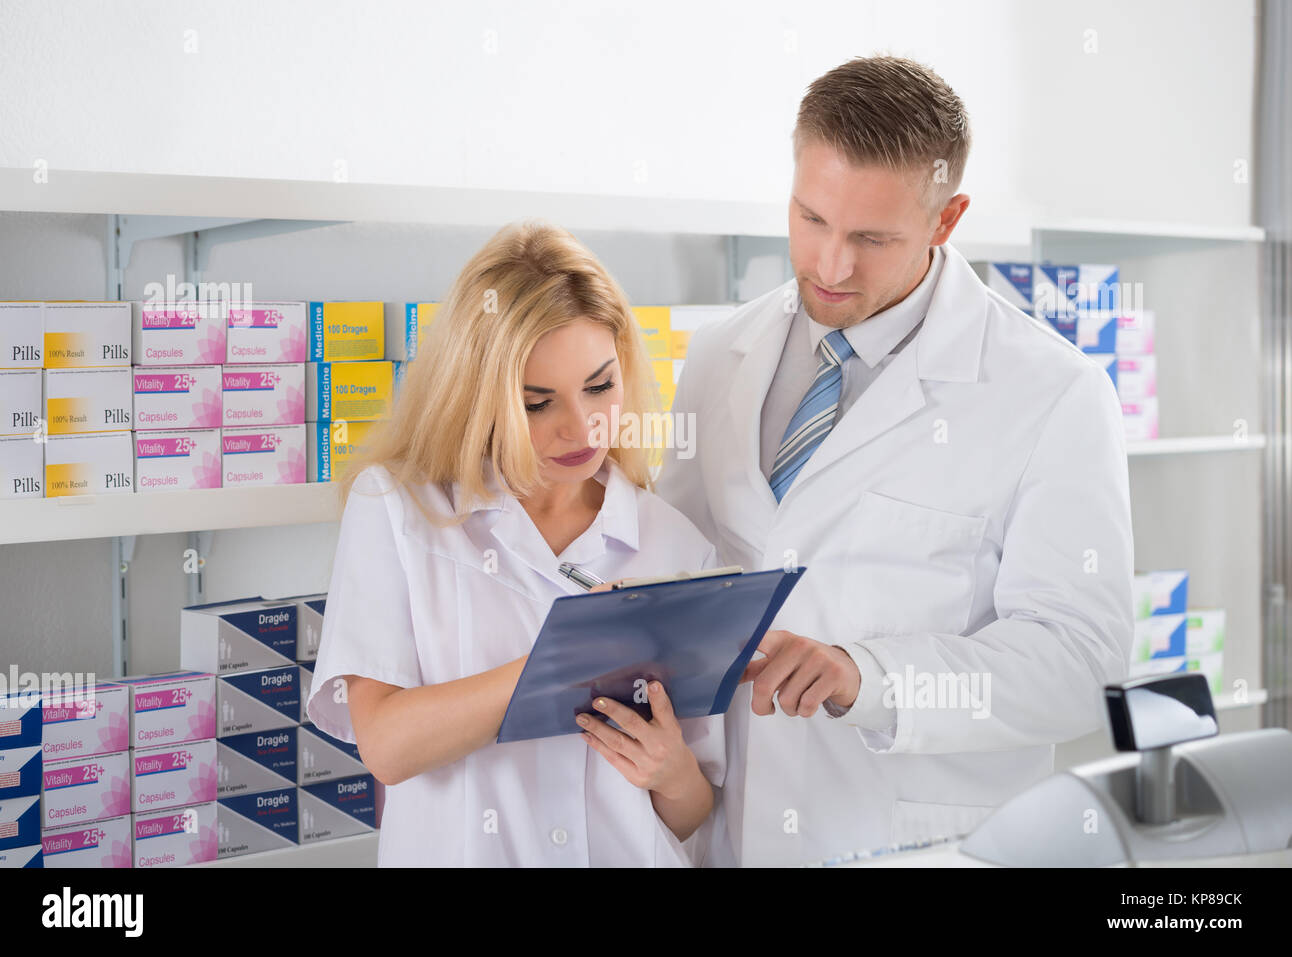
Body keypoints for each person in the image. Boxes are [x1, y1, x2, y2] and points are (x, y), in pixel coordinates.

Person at [656, 55, 1133, 867]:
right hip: (730, 834)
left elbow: (1080, 661)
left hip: (910, 840)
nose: (831, 266)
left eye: (872, 238)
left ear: (946, 220)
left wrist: (866, 676)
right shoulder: (716, 354)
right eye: (811, 219)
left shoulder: (1053, 392)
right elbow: (680, 568)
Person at [306, 220, 725, 866]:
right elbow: (386, 744)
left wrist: (669, 770)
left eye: (599, 385)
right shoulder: (397, 508)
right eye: (537, 403)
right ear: (479, 395)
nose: (581, 426)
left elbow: (693, 809)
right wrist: (563, 656)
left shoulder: (673, 543)